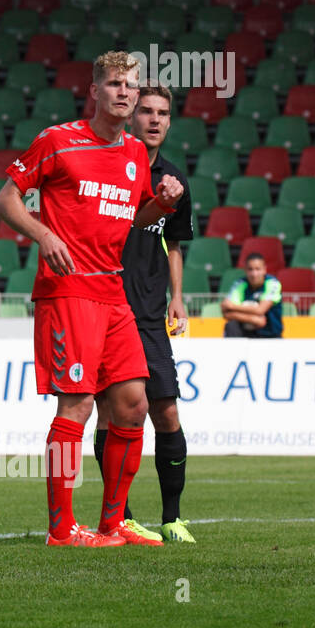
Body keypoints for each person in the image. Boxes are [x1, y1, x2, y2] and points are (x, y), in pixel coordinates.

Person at [0, 51, 183, 547]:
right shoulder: (58, 140)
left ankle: (113, 521)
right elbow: (6, 199)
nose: (125, 92)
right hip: (69, 289)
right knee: (75, 405)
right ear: (95, 90)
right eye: (116, 84)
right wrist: (43, 234)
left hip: (113, 291)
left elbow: (135, 217)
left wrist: (162, 202)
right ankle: (61, 529)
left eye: (132, 86)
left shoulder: (136, 154)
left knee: (132, 404)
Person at [94, 84, 196, 544]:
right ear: (130, 115)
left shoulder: (174, 181)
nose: (154, 119)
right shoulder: (107, 168)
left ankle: (172, 517)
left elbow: (173, 244)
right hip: (102, 304)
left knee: (167, 412)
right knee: (108, 414)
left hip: (150, 312)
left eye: (163, 113)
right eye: (146, 111)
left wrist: (177, 296)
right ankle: (123, 516)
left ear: (170, 122)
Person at [222, 254, 284, 338]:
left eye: (258, 269)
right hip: (246, 334)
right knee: (231, 325)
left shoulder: (272, 283)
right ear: (245, 270)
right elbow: (225, 312)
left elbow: (260, 310)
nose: (254, 274)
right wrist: (253, 319)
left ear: (264, 269)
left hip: (270, 335)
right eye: (250, 269)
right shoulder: (240, 284)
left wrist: (232, 306)